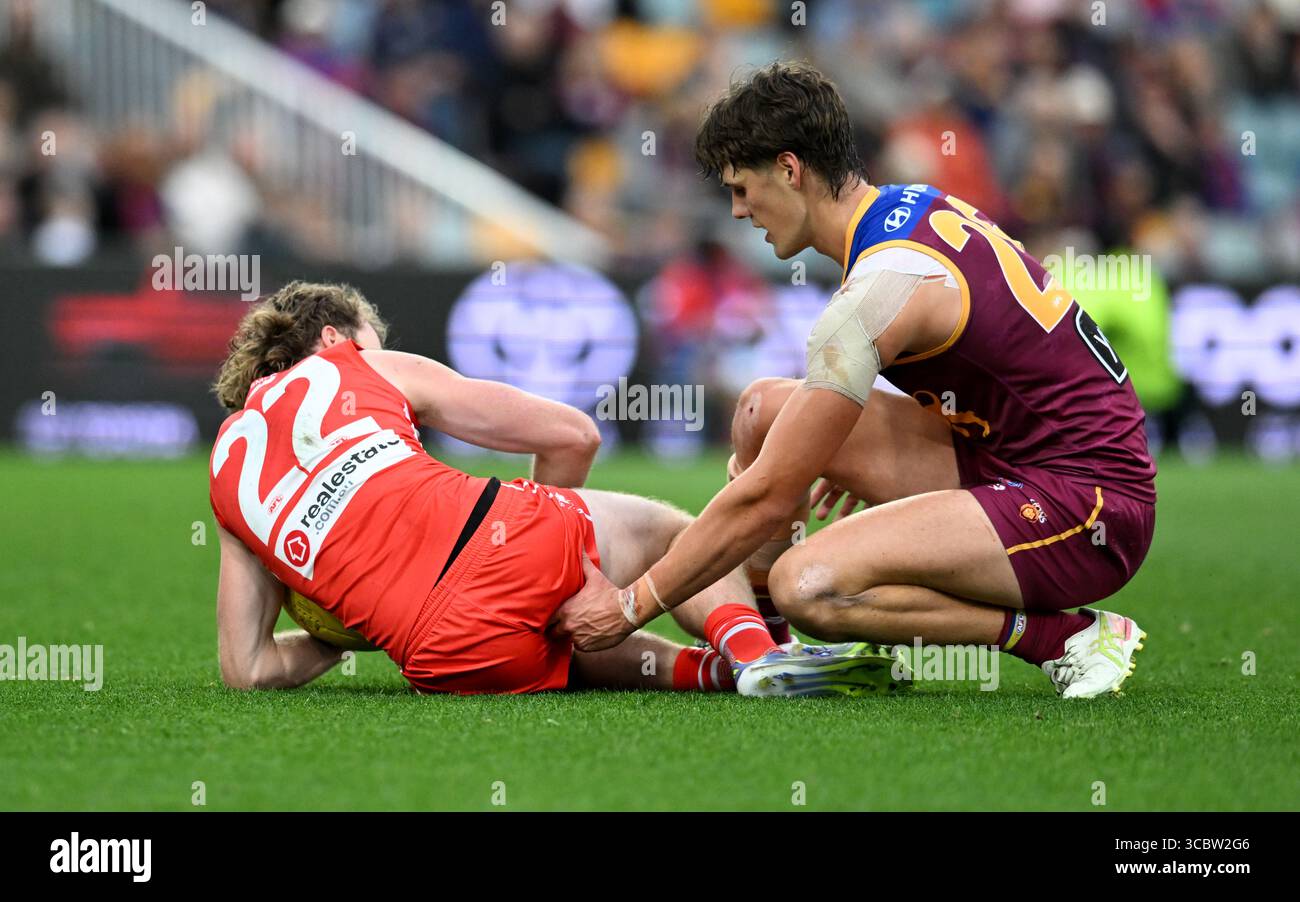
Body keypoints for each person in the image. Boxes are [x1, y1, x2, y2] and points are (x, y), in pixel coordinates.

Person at [555, 62, 1155, 699]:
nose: (737, 211)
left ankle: (1064, 638)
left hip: (1092, 505)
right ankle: (775, 653)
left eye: (741, 187)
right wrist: (842, 449)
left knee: (809, 582)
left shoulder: (878, 289)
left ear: (790, 170)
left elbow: (765, 496)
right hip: (1007, 451)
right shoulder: (905, 208)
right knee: (762, 411)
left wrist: (629, 606)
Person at [208, 280, 898, 697]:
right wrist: (560, 554)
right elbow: (573, 436)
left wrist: (338, 638)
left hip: (443, 658)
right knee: (668, 531)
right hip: (508, 546)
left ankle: (713, 675)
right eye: (370, 338)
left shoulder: (225, 475)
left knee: (557, 636)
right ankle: (758, 654)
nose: (377, 346)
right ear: (335, 339)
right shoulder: (358, 368)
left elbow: (248, 666)